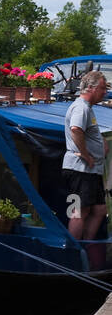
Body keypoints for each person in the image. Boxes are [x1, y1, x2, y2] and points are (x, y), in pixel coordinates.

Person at [63, 70, 109, 260]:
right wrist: (85, 154)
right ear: (90, 88)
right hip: (79, 168)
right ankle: (73, 253)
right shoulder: (80, 107)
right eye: (103, 88)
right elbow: (76, 129)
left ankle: (87, 247)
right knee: (79, 211)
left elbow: (86, 132)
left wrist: (100, 144)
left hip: (91, 170)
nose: (105, 92)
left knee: (99, 210)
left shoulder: (88, 108)